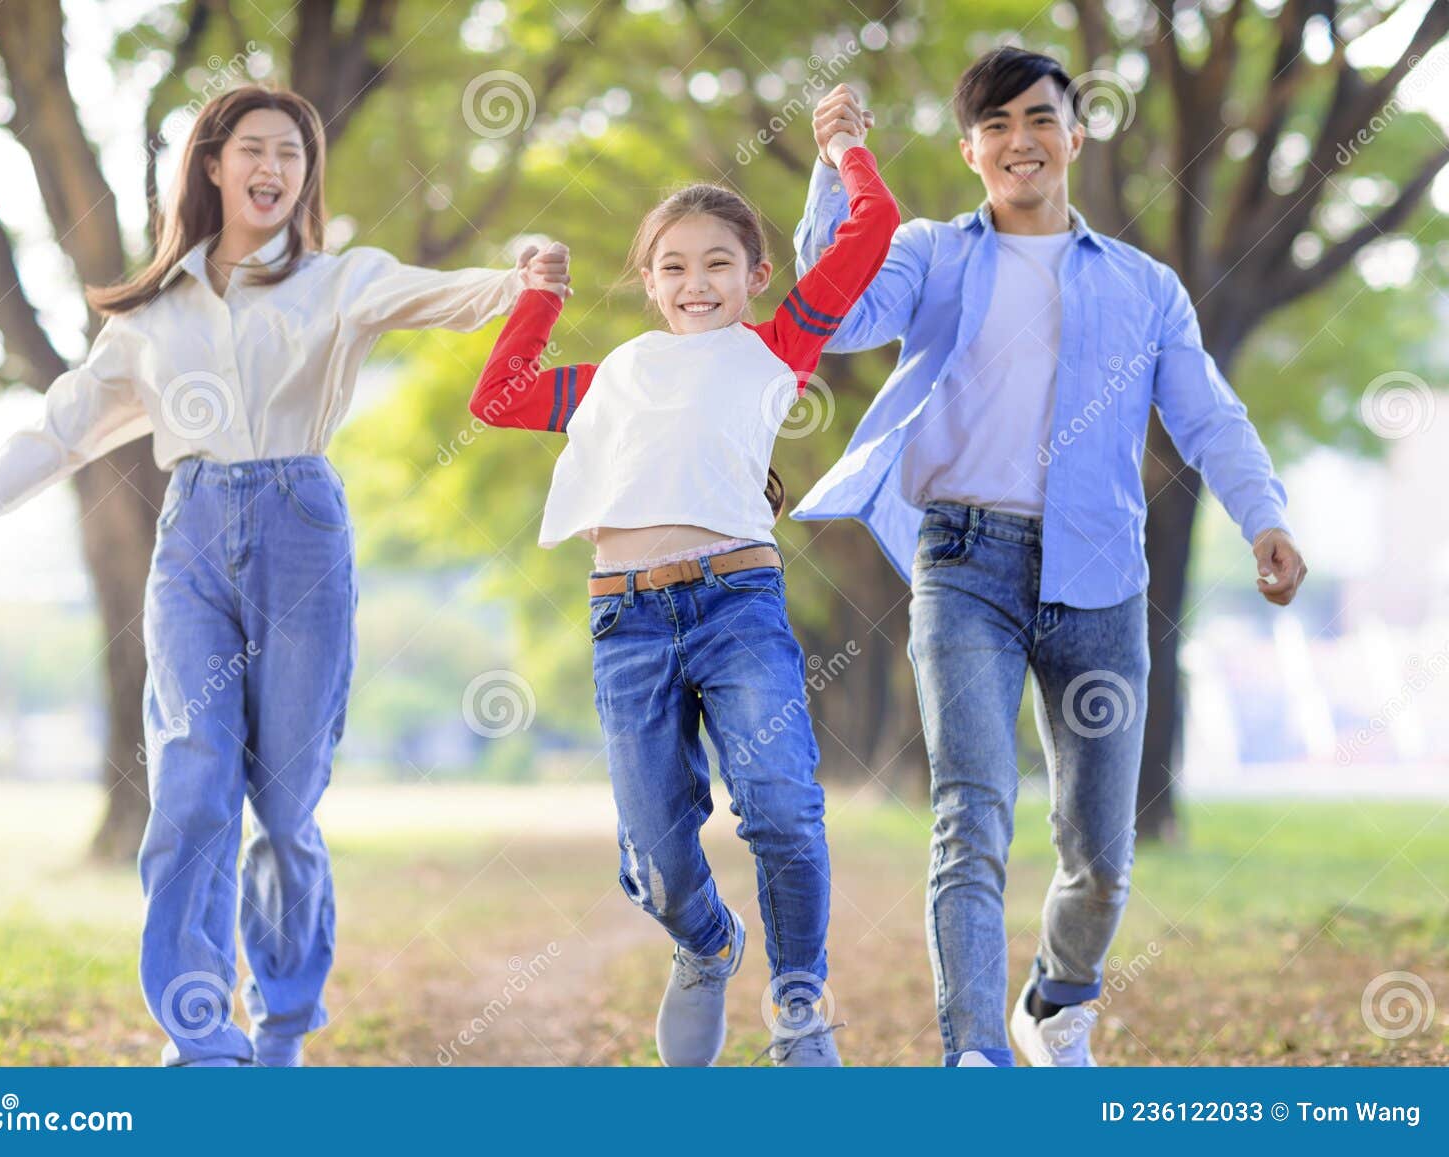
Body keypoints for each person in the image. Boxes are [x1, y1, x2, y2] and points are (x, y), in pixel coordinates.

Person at [0, 85, 555, 1067]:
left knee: (284, 802)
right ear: (211, 164)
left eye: (293, 152)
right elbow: (59, 432)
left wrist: (526, 273)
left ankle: (284, 1010)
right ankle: (200, 1029)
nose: (275, 168)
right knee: (192, 781)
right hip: (192, 537)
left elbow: (460, 294)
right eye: (254, 148)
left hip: (301, 533)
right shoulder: (153, 315)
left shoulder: (342, 281)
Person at [791, 50, 1307, 1066]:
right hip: (961, 561)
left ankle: (1057, 999)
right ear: (969, 149)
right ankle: (975, 1054)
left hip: (1100, 577)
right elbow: (836, 311)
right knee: (969, 813)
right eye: (994, 124)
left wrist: (1263, 517)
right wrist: (832, 165)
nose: (1017, 139)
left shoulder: (1143, 287)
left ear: (1075, 135)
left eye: (1038, 118)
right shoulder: (933, 254)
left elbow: (1209, 416)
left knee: (1100, 855)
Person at [465, 86, 899, 1066]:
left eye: (716, 264)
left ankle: (797, 1007)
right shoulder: (614, 374)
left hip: (736, 602)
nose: (695, 281)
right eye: (672, 267)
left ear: (755, 275)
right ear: (650, 283)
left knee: (782, 807)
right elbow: (498, 398)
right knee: (657, 858)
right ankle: (704, 944)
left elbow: (873, 231)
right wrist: (542, 293)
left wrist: (841, 151)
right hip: (625, 619)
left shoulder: (773, 348)